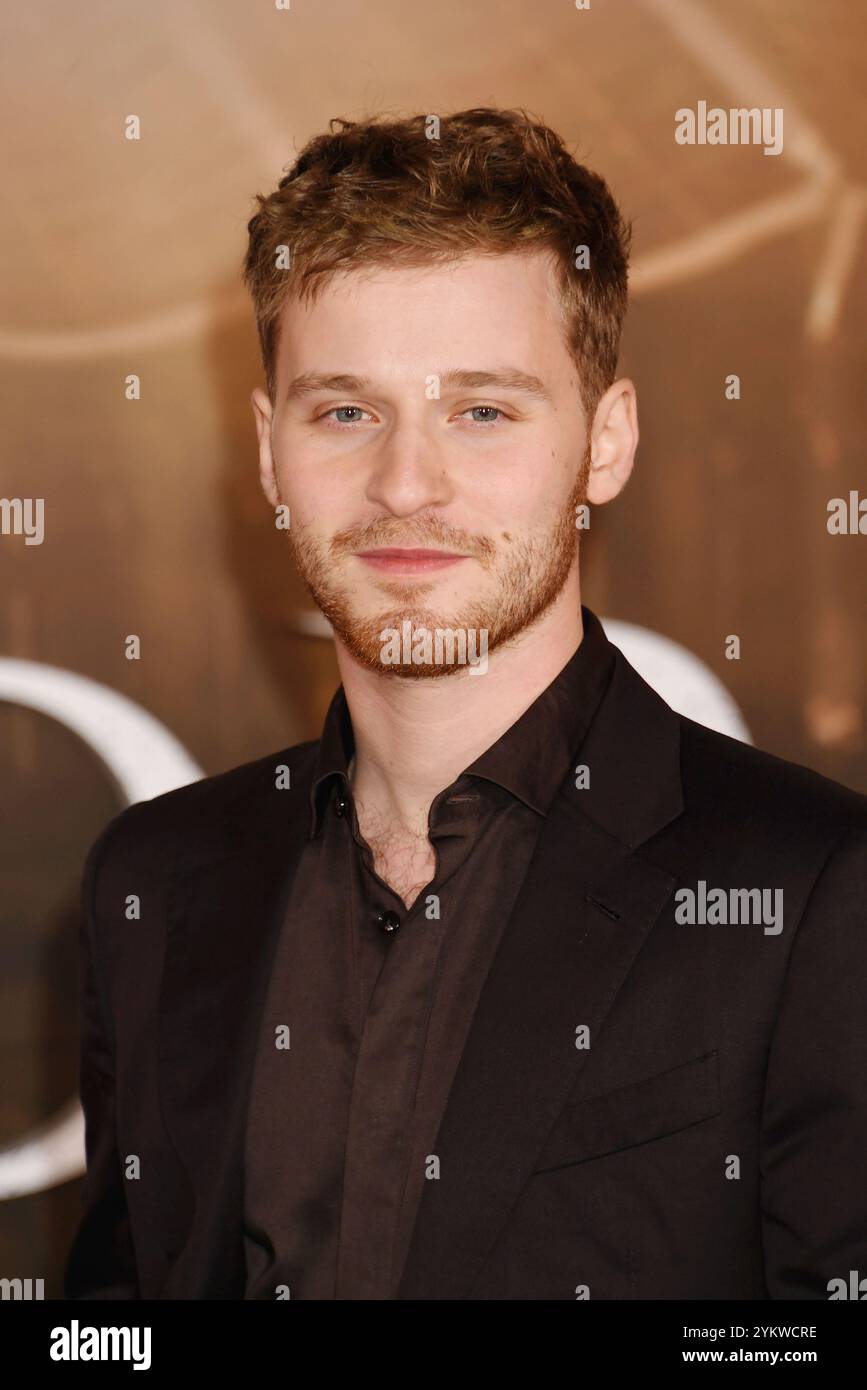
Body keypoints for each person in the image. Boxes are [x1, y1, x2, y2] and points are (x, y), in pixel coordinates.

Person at [65, 108, 867, 1301]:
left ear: (606, 442)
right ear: (270, 452)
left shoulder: (814, 889)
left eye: (482, 410)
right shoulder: (154, 880)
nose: (403, 482)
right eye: (345, 410)